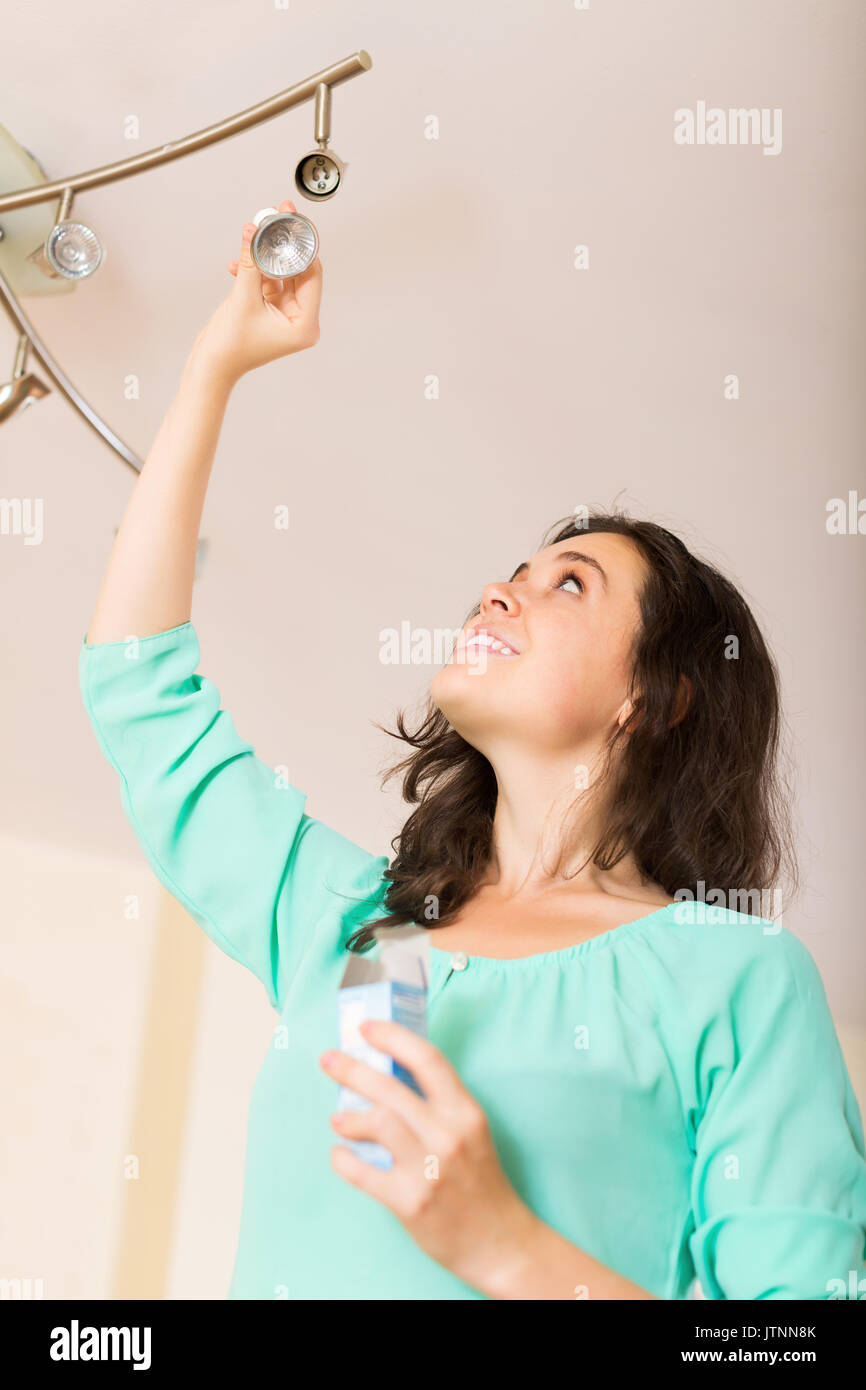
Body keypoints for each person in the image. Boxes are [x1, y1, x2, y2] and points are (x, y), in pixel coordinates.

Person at [79, 201, 866, 1300]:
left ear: (656, 696)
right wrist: (215, 368)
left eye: (568, 584)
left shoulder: (732, 981)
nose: (501, 587)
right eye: (516, 568)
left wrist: (500, 1241)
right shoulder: (367, 937)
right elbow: (139, 693)